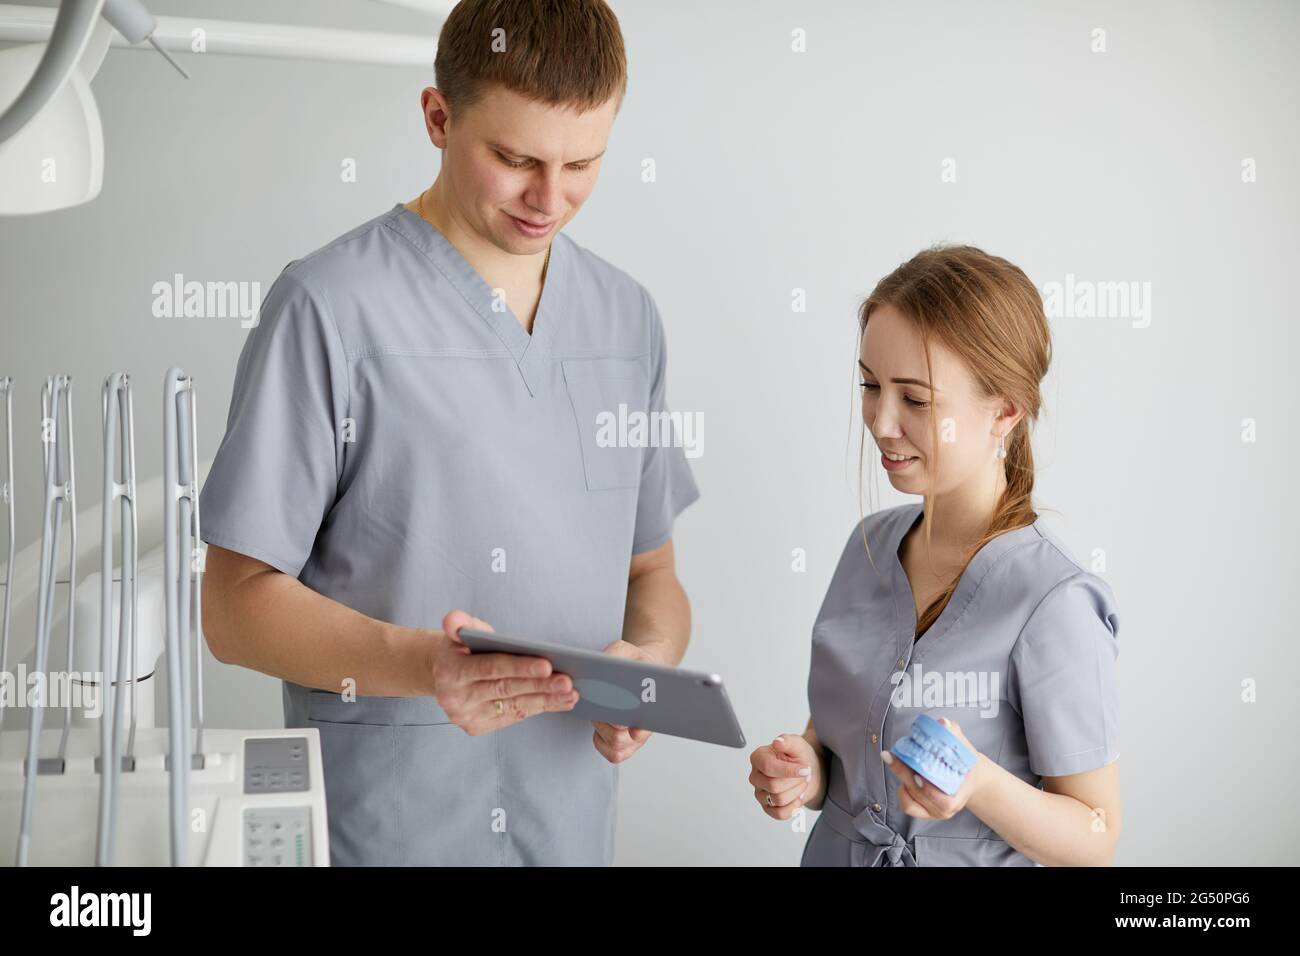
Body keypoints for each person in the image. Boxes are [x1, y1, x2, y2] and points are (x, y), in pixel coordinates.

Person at [198, 0, 699, 866]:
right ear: (437, 117)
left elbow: (652, 575)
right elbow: (233, 607)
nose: (551, 197)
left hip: (570, 824)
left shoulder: (627, 320)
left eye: (583, 163)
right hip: (385, 828)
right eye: (515, 159)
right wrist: (423, 662)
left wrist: (647, 669)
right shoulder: (328, 307)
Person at [749, 245, 1122, 866]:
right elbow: (851, 736)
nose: (881, 422)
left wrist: (977, 783)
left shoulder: (1054, 602)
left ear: (1005, 410)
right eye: (870, 386)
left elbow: (1096, 836)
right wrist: (806, 771)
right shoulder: (869, 547)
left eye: (916, 400)